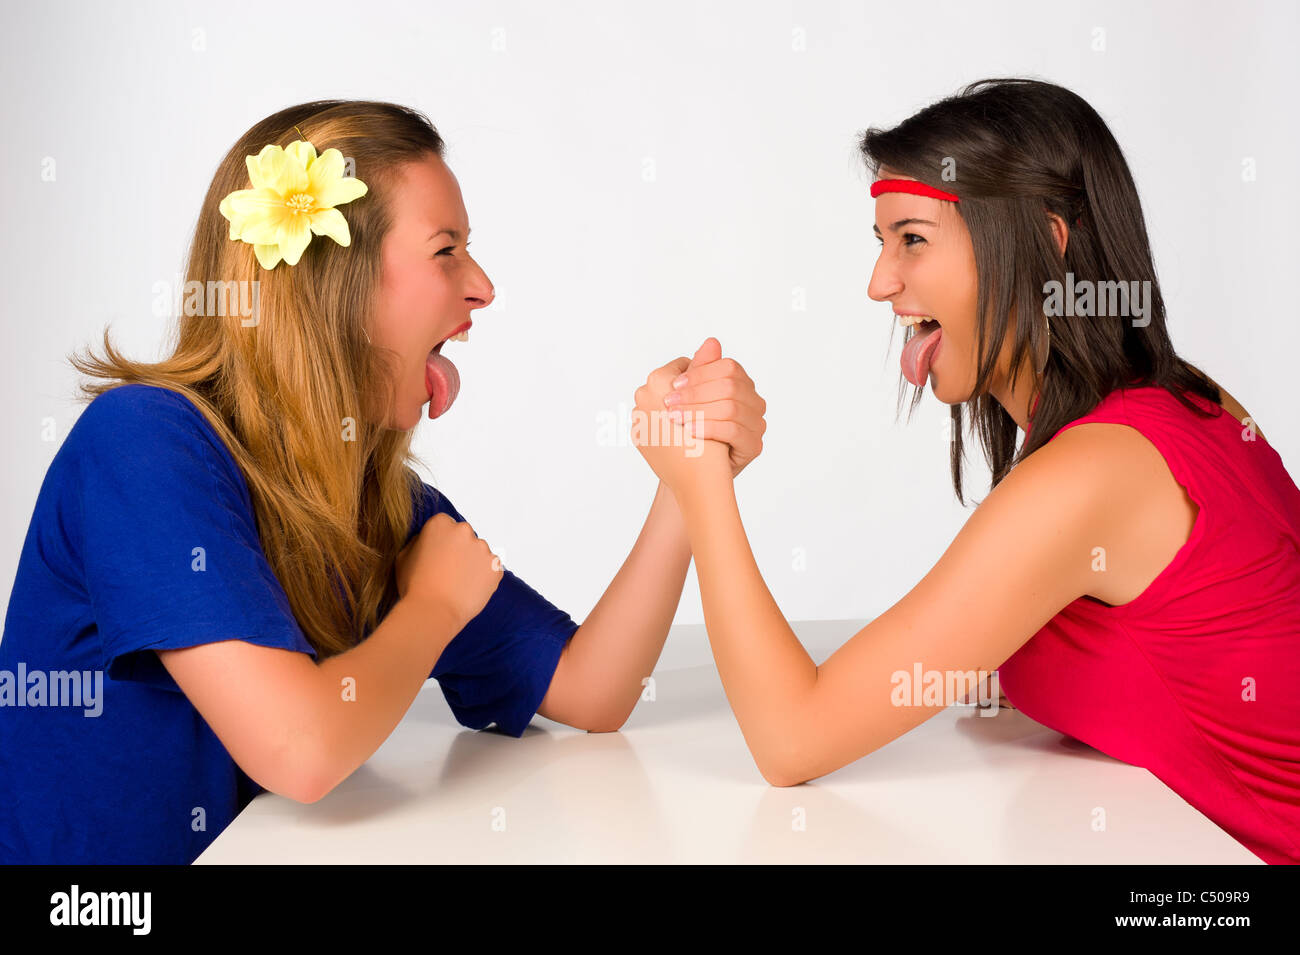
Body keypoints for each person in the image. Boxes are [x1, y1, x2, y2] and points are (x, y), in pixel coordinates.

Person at [0, 99, 767, 864]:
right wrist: (432, 606)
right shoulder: (141, 444)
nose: (483, 287)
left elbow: (594, 688)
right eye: (447, 250)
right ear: (335, 285)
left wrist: (688, 478)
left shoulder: (375, 500)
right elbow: (300, 751)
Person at [632, 78, 1300, 864]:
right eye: (881, 243)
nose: (880, 282)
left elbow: (791, 738)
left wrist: (700, 478)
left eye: (912, 239)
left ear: (1045, 242)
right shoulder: (1187, 400)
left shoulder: (1093, 474)